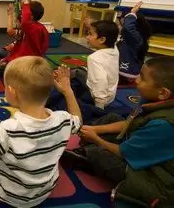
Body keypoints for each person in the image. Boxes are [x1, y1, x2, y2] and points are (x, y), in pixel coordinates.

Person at [0, 59, 82, 207]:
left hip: (12, 195)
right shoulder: (63, 119)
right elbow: (78, 122)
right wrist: (68, 91)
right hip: (44, 191)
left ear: (11, 92)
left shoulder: (7, 130)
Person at [62, 57, 174, 207]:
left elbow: (123, 153)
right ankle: (87, 152)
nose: (136, 80)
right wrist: (95, 129)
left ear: (163, 93)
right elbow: (130, 122)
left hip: (156, 175)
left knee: (99, 153)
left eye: (142, 78)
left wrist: (96, 139)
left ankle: (89, 156)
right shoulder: (152, 100)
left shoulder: (163, 125)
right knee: (111, 118)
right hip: (141, 145)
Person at [0, 0, 48, 64]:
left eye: (24, 12)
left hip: (28, 63)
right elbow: (12, 33)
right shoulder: (32, 27)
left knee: (0, 54)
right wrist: (8, 58)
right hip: (27, 59)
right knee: (1, 52)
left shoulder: (33, 27)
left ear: (30, 16)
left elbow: (22, 23)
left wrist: (27, 1)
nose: (22, 14)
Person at [82, 20, 120, 109]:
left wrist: (99, 108)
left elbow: (100, 82)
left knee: (73, 78)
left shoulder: (94, 58)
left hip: (97, 100)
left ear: (102, 39)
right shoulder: (115, 49)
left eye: (90, 34)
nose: (87, 37)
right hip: (111, 96)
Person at [117, 1, 152, 84]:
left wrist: (132, 13)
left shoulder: (136, 38)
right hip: (125, 71)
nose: (120, 24)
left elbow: (128, 28)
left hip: (126, 73)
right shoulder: (133, 37)